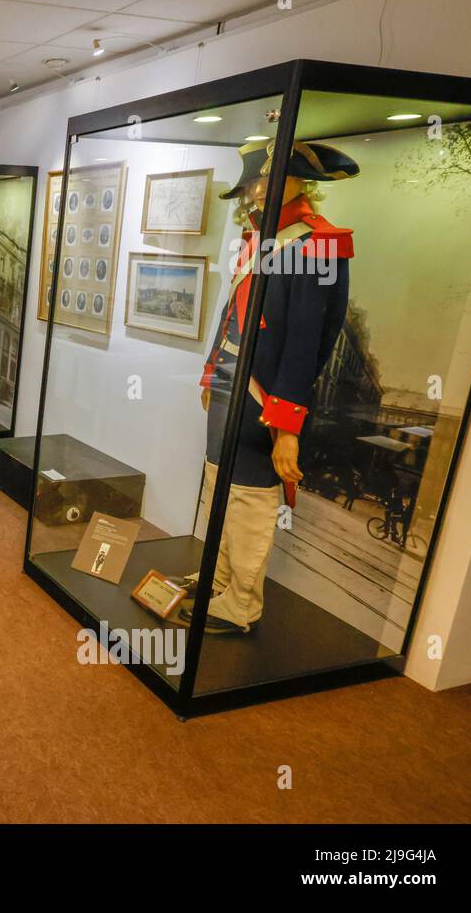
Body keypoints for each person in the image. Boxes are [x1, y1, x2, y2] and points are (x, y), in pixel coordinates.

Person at [175, 139, 359, 635]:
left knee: (251, 496)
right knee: (219, 483)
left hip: (266, 393)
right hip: (231, 378)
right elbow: (231, 317)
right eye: (254, 182)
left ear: (300, 181)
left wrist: (287, 423)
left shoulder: (316, 244)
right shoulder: (263, 237)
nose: (255, 191)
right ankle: (220, 576)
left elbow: (305, 344)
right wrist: (213, 371)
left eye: (263, 181)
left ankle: (241, 604)